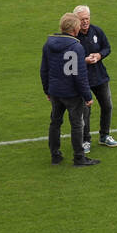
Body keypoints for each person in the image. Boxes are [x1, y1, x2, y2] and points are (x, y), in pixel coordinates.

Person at [40, 11, 99, 166]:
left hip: (55, 91)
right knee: (77, 124)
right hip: (71, 93)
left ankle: (55, 155)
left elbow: (44, 69)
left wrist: (47, 89)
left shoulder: (48, 44)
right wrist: (87, 96)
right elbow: (78, 75)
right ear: (74, 29)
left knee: (55, 122)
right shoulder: (75, 47)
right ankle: (79, 157)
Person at [75, 6, 117, 151]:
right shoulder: (73, 36)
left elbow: (107, 47)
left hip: (99, 76)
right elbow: (69, 58)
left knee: (107, 106)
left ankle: (104, 135)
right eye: (82, 19)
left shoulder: (97, 31)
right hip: (82, 79)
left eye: (87, 18)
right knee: (85, 111)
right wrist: (84, 60)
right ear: (76, 20)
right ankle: (85, 140)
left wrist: (99, 55)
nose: (85, 22)